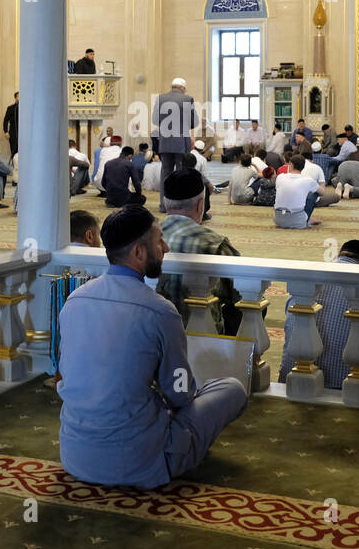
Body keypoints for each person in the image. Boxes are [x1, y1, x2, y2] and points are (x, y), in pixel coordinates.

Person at [56, 205, 248, 489]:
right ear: (138, 252)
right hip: (142, 463)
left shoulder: (75, 300)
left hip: (75, 456)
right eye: (159, 240)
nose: (166, 246)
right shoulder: (160, 311)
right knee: (232, 388)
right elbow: (180, 394)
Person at [277, 240, 359, 392]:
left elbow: (289, 327)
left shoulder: (305, 279)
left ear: (340, 255)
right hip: (353, 385)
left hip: (293, 377)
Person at [156, 169, 242, 335]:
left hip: (155, 336)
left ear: (166, 202)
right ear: (200, 205)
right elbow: (243, 293)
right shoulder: (214, 244)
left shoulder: (146, 239)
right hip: (202, 340)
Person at [151, 77, 198, 207]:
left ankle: (164, 205)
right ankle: (180, 204)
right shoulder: (187, 99)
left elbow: (155, 120)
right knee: (182, 172)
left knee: (165, 172)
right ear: (182, 88)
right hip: (181, 143)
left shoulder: (160, 98)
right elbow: (194, 122)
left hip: (165, 142)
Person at [274, 155, 320, 229]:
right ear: (303, 167)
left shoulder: (280, 177)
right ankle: (306, 219)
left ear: (291, 164)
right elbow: (322, 192)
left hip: (278, 220)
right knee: (313, 194)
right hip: (298, 222)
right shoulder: (308, 180)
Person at [3, 92, 19, 157]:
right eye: (18, 96)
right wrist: (6, 131)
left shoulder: (26, 108)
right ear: (15, 98)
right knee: (14, 151)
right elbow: (5, 120)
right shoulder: (11, 108)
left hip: (24, 133)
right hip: (13, 132)